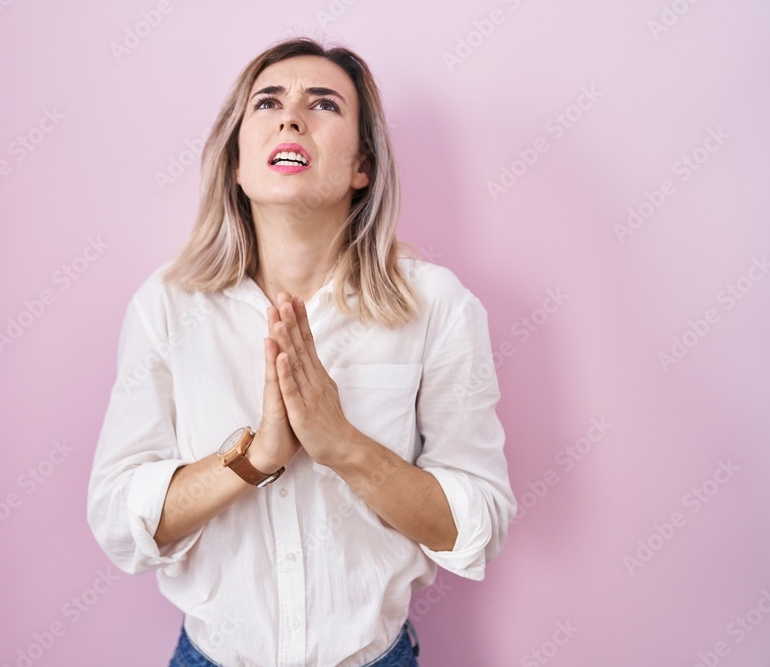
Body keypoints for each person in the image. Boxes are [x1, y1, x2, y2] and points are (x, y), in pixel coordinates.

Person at [87, 36, 517, 667]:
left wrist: (343, 446)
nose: (290, 117)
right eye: (267, 102)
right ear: (238, 163)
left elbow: (477, 526)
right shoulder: (167, 305)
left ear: (362, 165)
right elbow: (118, 521)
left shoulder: (438, 307)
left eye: (323, 104)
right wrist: (254, 458)